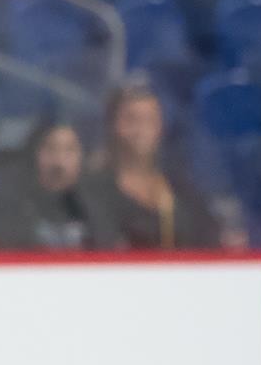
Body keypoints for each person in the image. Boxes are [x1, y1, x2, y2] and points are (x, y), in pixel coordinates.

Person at [82, 79, 225, 251]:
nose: (141, 130)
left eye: (150, 120)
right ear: (111, 125)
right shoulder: (91, 190)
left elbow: (210, 238)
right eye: (131, 119)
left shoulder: (179, 188)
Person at [0, 119, 112, 251]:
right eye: (50, 149)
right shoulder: (8, 209)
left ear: (81, 157)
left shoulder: (97, 211)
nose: (59, 161)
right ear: (34, 155)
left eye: (69, 150)